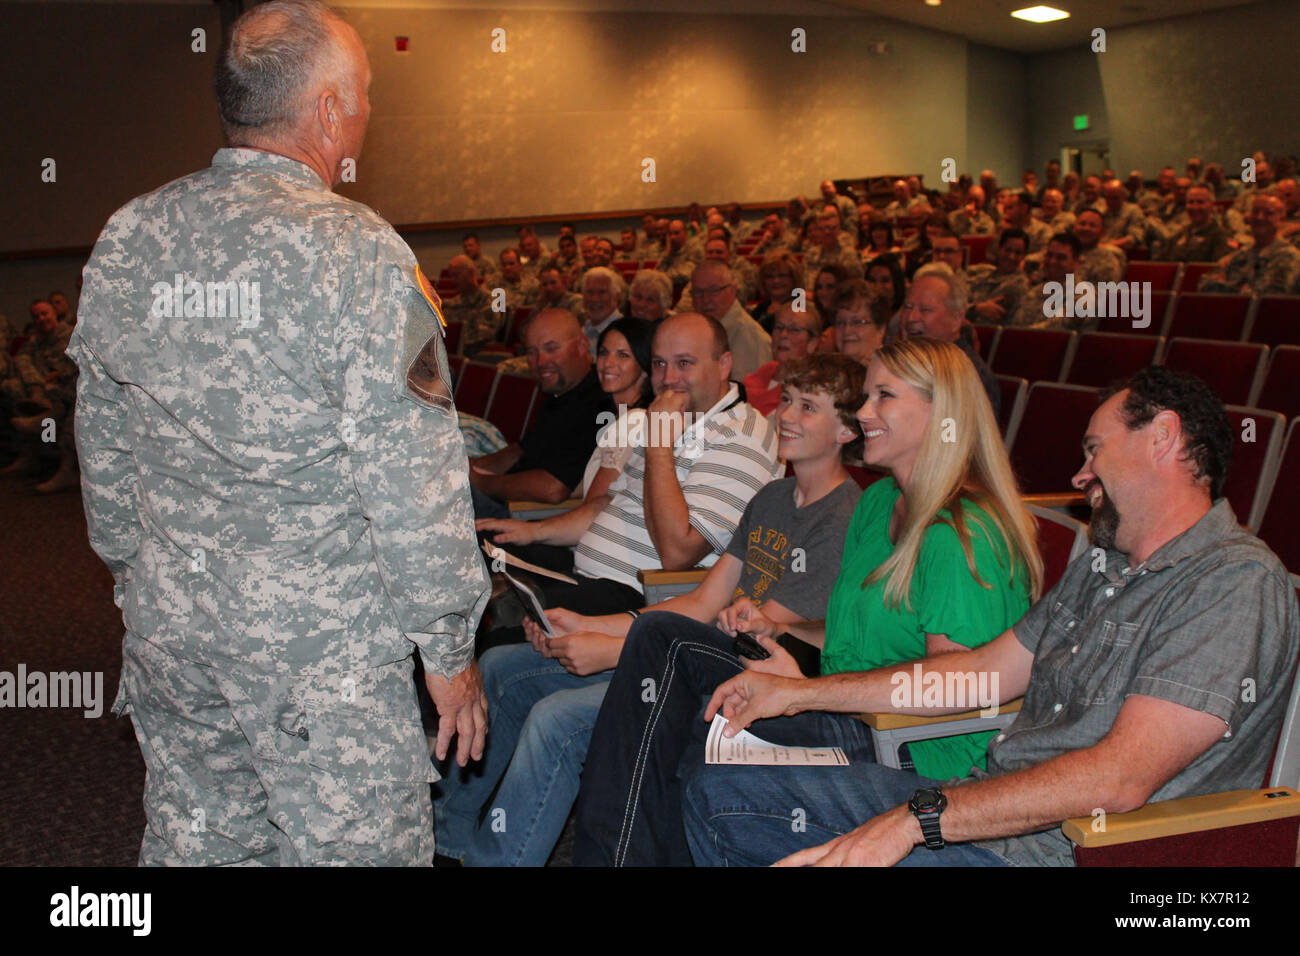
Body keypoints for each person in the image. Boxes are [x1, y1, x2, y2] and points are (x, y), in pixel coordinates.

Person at [69, 0, 490, 865]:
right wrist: (449, 649)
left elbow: (101, 444)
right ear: (330, 110)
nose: (367, 111)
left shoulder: (131, 234)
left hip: (174, 626)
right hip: (318, 654)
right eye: (365, 93)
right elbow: (411, 482)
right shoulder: (358, 254)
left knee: (201, 841)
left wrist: (134, 582)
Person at [684, 366, 1297, 867]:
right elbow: (975, 673)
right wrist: (796, 695)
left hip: (1067, 853)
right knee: (719, 790)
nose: (1081, 474)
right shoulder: (1100, 568)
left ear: (1161, 437)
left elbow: (1118, 779)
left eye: (1094, 449)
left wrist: (912, 822)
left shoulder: (1232, 583)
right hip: (981, 808)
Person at [574, 337, 1042, 865]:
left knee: (674, 667)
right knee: (679, 693)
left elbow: (950, 685)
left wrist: (807, 694)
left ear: (942, 413)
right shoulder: (883, 502)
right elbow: (851, 638)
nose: (864, 412)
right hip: (851, 710)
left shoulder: (962, 534)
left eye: (883, 396)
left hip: (912, 747)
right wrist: (784, 640)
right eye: (865, 396)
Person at [434, 313, 781, 864]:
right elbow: (608, 506)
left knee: (540, 697)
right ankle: (447, 829)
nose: (670, 378)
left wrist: (661, 445)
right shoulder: (668, 417)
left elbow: (680, 552)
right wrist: (534, 530)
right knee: (498, 667)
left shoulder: (743, 438)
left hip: (654, 604)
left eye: (686, 363)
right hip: (594, 582)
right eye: (662, 363)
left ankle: (498, 857)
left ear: (724, 364)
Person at [469, 309, 611, 513]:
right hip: (512, 500)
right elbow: (522, 450)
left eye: (551, 348)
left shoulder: (599, 403)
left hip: (528, 515)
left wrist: (479, 482)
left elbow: (552, 489)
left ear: (582, 346)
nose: (540, 362)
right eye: (531, 352)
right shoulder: (561, 392)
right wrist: (469, 466)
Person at [898, 263, 1000, 417]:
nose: (911, 318)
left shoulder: (969, 377)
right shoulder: (899, 362)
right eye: (907, 307)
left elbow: (953, 438)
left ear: (956, 319)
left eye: (925, 310)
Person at [581, 318, 654, 501]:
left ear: (644, 367)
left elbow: (593, 506)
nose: (608, 363)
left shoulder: (635, 421)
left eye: (623, 355)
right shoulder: (614, 415)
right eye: (604, 353)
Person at [687, 260, 771, 380]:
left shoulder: (753, 339)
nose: (705, 299)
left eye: (714, 291)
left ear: (733, 290)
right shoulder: (694, 331)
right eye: (698, 292)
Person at [1199, 195, 1300, 295]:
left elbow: (1268, 297)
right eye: (1255, 211)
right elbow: (1204, 286)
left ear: (1281, 219)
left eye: (1268, 213)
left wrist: (1227, 286)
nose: (1260, 217)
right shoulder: (1240, 255)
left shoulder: (1289, 256)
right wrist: (1240, 289)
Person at [742, 301, 822, 416]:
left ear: (812, 343)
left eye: (794, 329)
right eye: (779, 327)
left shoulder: (811, 390)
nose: (783, 334)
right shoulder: (757, 377)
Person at [966, 228, 1029, 327]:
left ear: (1023, 256)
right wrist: (976, 308)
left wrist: (972, 308)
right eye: (1008, 250)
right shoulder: (981, 277)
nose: (1011, 256)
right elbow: (954, 306)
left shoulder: (1018, 285)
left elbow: (988, 318)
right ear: (999, 249)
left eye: (1018, 253)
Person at [832, 278, 887, 368]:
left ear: (881, 329)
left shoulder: (892, 374)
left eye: (857, 322)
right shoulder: (833, 373)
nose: (847, 330)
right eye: (840, 323)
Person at [750, 252, 801, 334]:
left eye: (782, 275)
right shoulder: (760, 309)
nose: (776, 281)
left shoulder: (800, 309)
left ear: (794, 278)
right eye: (769, 276)